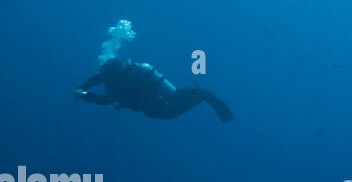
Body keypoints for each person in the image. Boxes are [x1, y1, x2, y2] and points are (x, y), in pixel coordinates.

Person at [74, 57, 234, 123]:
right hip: (164, 106)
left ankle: (226, 116)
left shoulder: (122, 84)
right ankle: (226, 116)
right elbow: (98, 78)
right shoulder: (123, 73)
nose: (102, 75)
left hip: (166, 109)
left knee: (202, 93)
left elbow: (105, 101)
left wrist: (84, 94)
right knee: (203, 93)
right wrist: (82, 88)